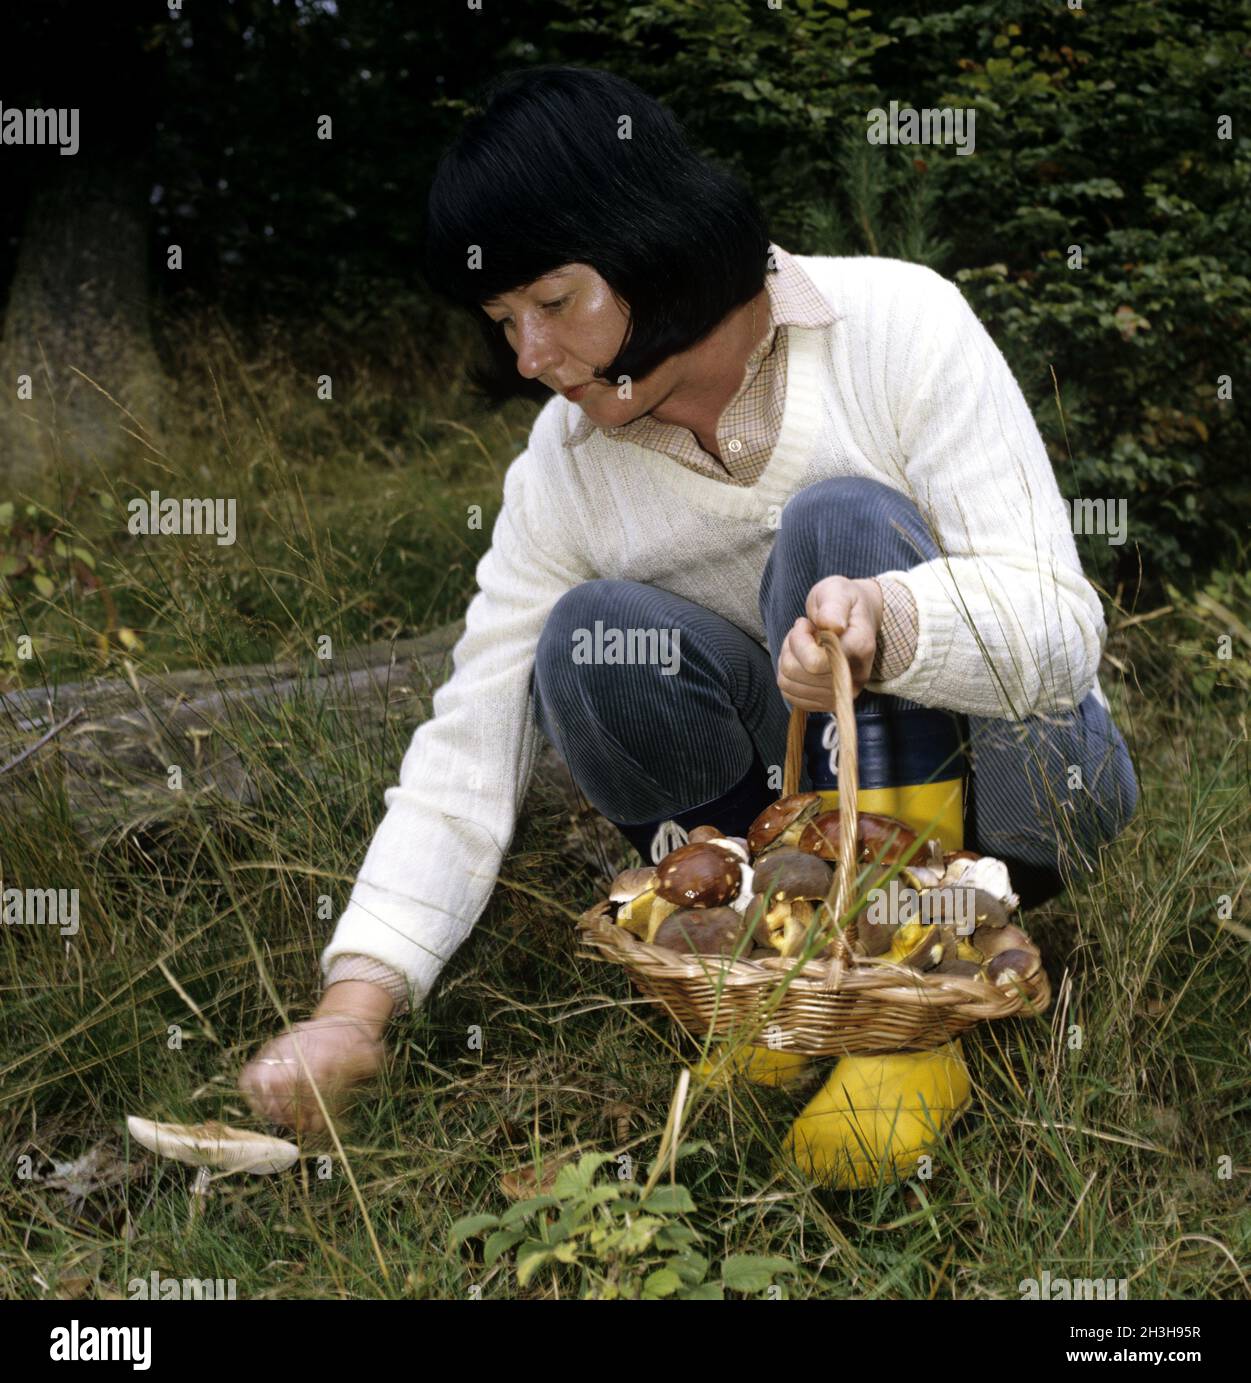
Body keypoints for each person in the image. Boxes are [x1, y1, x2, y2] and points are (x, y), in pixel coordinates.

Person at [240, 66, 1138, 1153]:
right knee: (583, 639)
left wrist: (889, 622)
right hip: (803, 810)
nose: (528, 358)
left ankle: (907, 1016)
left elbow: (1059, 626)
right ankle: (772, 974)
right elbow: (468, 735)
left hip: (1028, 785)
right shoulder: (563, 469)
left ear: (649, 243)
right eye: (504, 319)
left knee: (836, 523)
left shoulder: (900, 322)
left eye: (554, 303)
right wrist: (356, 1003)